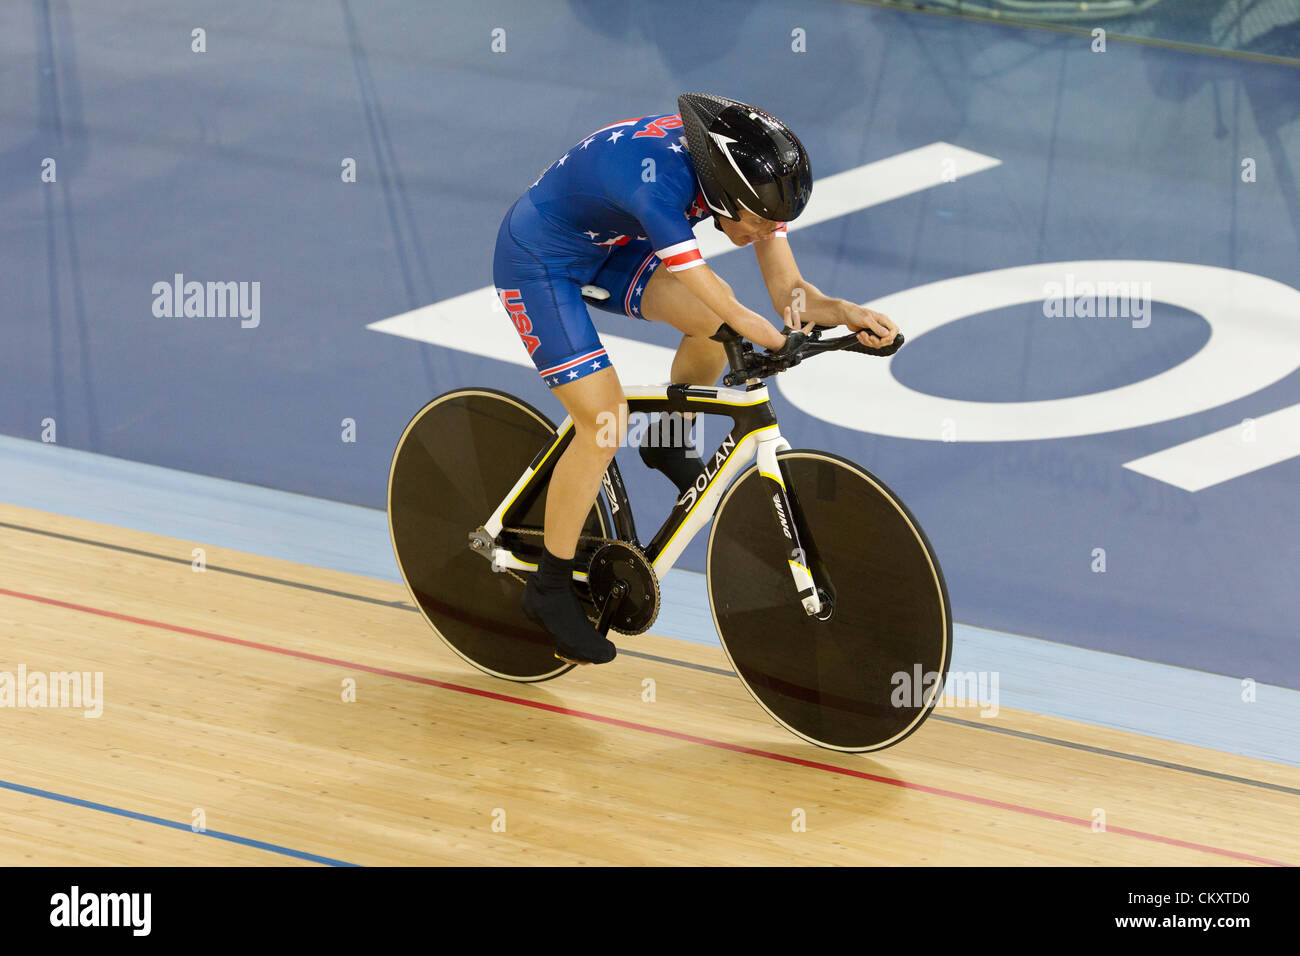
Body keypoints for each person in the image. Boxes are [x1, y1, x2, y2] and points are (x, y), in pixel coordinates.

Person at [492, 92, 899, 665]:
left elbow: (790, 296)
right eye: (758, 223)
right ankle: (549, 588)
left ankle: (665, 441)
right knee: (604, 423)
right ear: (726, 197)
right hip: (539, 260)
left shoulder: (747, 186)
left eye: (773, 224)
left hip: (610, 244)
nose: (765, 232)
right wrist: (774, 338)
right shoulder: (657, 189)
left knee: (711, 324)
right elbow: (736, 307)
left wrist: (844, 312)